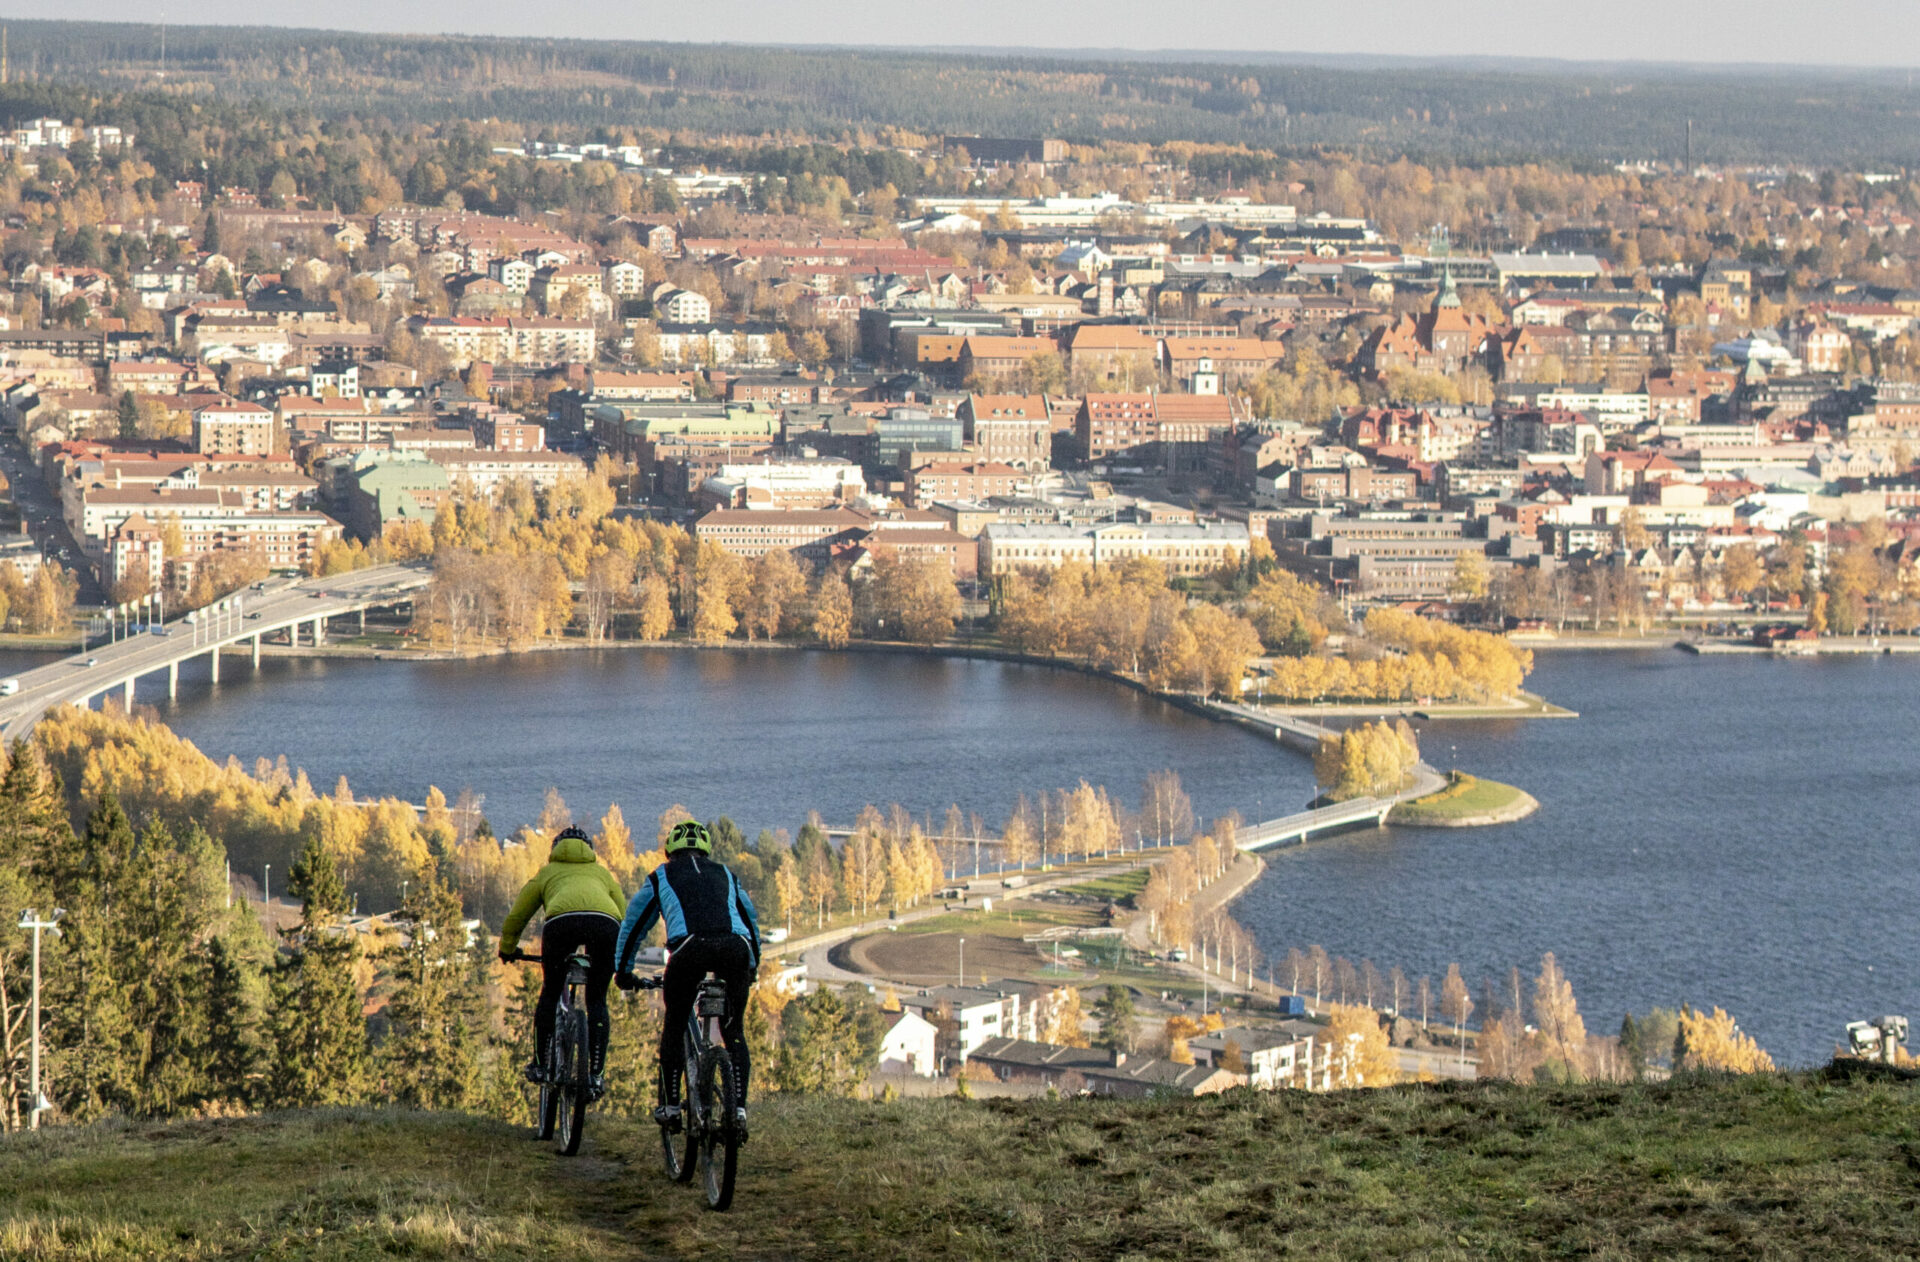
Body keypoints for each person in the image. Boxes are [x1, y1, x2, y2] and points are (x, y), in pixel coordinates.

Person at [614, 819, 760, 1132]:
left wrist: (623, 971)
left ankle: (670, 1108)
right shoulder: (726, 874)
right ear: (707, 851)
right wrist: (753, 965)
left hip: (689, 949)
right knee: (734, 1031)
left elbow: (634, 925)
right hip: (735, 948)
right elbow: (750, 920)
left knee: (676, 1023)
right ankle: (740, 1111)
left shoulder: (660, 876)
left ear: (669, 852)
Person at [498, 824, 626, 1097]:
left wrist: (508, 948)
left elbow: (518, 915)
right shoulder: (601, 873)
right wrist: (624, 955)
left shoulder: (548, 873)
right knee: (597, 1000)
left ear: (555, 850)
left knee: (551, 991)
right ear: (589, 851)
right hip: (605, 926)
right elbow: (624, 913)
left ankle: (542, 1065)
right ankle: (596, 1076)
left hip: (561, 925)